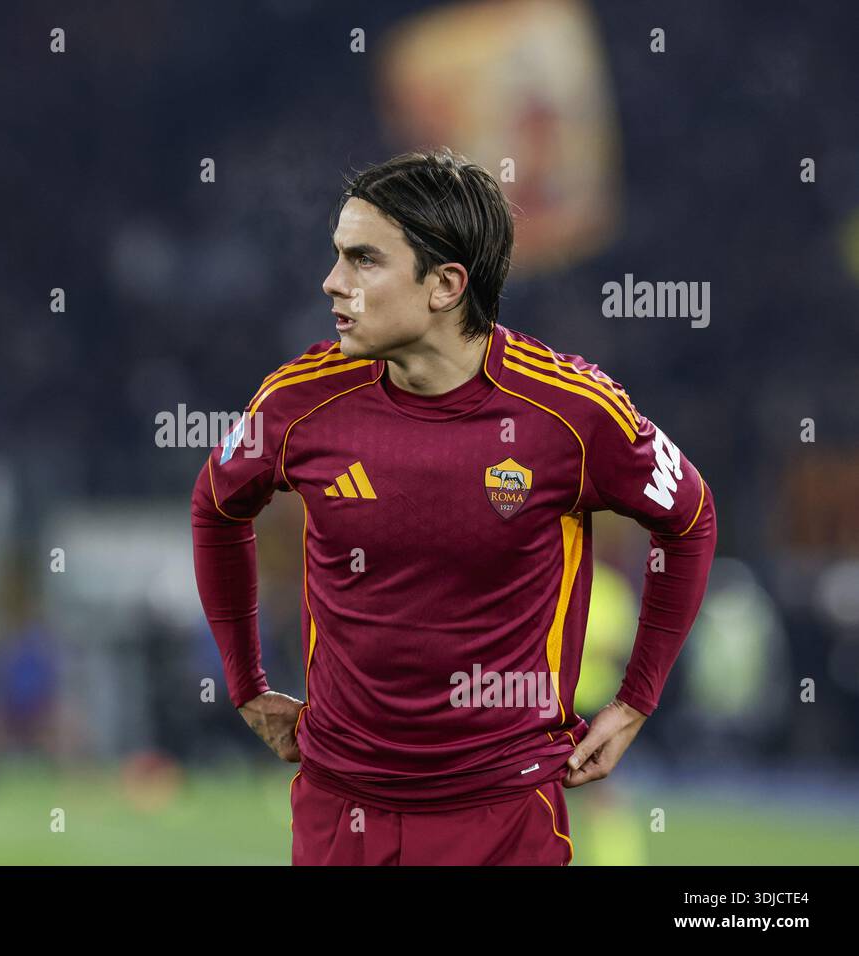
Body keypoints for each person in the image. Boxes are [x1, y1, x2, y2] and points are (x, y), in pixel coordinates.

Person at [190, 148, 716, 865]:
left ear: (445, 284)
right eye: (337, 256)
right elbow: (216, 507)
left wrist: (636, 700)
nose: (332, 282)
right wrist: (246, 684)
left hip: (505, 813)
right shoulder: (299, 399)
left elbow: (689, 518)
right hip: (339, 807)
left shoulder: (571, 413)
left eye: (363, 260)